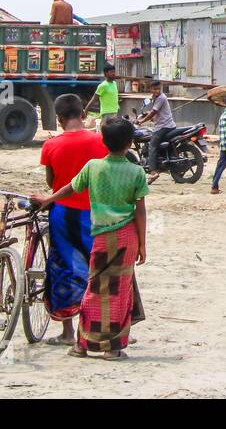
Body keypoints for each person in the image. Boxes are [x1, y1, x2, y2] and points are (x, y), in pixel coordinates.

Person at [31, 116, 148, 360]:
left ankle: (82, 344)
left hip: (101, 236)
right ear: (129, 144)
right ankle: (112, 347)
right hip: (126, 237)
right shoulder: (136, 172)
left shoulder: (93, 167)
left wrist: (48, 199)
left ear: (103, 142)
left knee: (93, 286)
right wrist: (143, 244)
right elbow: (140, 210)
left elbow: (69, 188)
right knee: (118, 290)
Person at [38, 93, 106, 346]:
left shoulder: (51, 146)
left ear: (59, 119)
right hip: (96, 212)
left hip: (63, 213)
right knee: (98, 267)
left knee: (63, 266)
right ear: (83, 114)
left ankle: (68, 332)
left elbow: (51, 182)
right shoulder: (101, 142)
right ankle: (97, 329)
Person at [135, 80, 175, 177]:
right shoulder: (155, 97)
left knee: (152, 146)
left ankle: (153, 171)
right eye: (154, 89)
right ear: (150, 89)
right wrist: (149, 115)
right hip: (167, 125)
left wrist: (141, 121)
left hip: (164, 126)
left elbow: (153, 112)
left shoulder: (161, 98)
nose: (157, 91)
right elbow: (154, 112)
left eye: (158, 89)